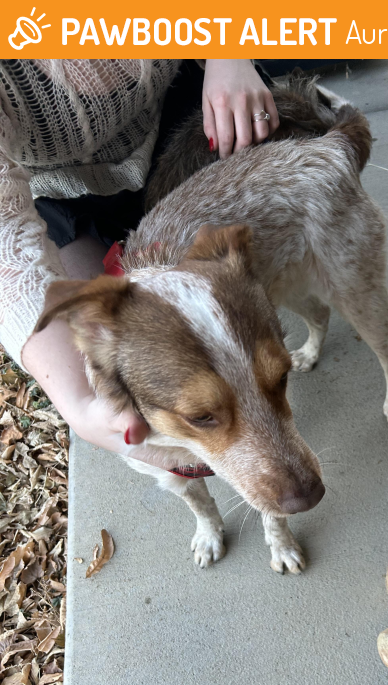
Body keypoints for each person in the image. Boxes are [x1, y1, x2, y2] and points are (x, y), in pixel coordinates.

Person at [0, 59, 279, 466]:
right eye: (203, 414)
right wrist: (78, 404)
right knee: (116, 349)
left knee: (233, 322)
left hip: (190, 113)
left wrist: (229, 47)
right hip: (62, 191)